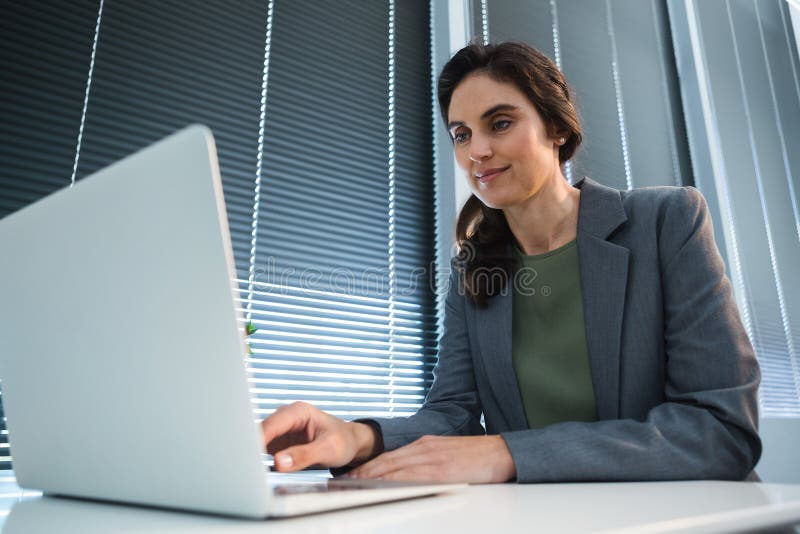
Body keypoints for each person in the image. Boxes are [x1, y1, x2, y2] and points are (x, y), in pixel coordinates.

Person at [259, 41, 761, 484]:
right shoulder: (473, 269)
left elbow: (719, 429)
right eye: (461, 133)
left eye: (500, 123)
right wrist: (356, 437)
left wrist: (507, 453)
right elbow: (451, 417)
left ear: (558, 127)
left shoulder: (667, 221)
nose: (477, 150)